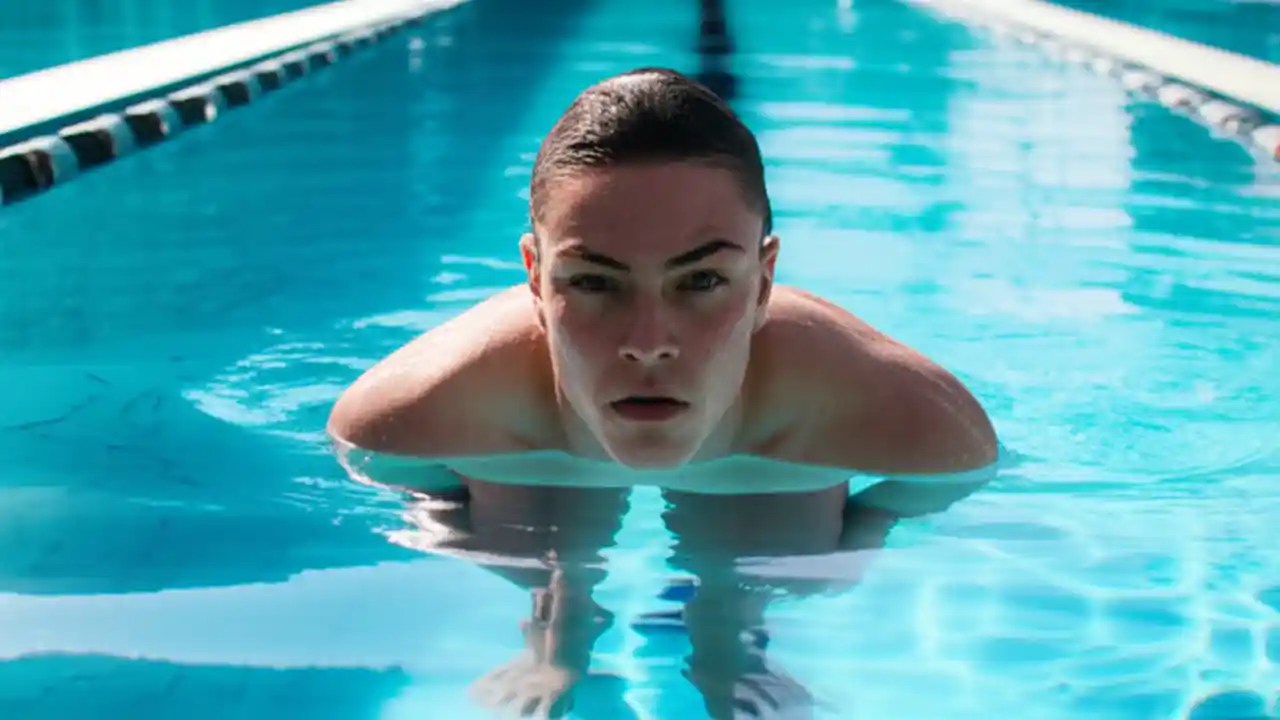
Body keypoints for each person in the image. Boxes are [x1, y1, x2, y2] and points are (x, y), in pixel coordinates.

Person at [327, 67, 998, 719]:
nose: (649, 342)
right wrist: (459, 529)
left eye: (702, 281)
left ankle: (733, 616)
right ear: (535, 279)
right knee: (527, 534)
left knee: (794, 552)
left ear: (763, 282)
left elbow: (937, 482)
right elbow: (401, 478)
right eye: (594, 282)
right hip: (542, 448)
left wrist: (865, 532)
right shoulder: (421, 410)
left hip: (769, 440)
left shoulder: (897, 414)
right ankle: (561, 607)